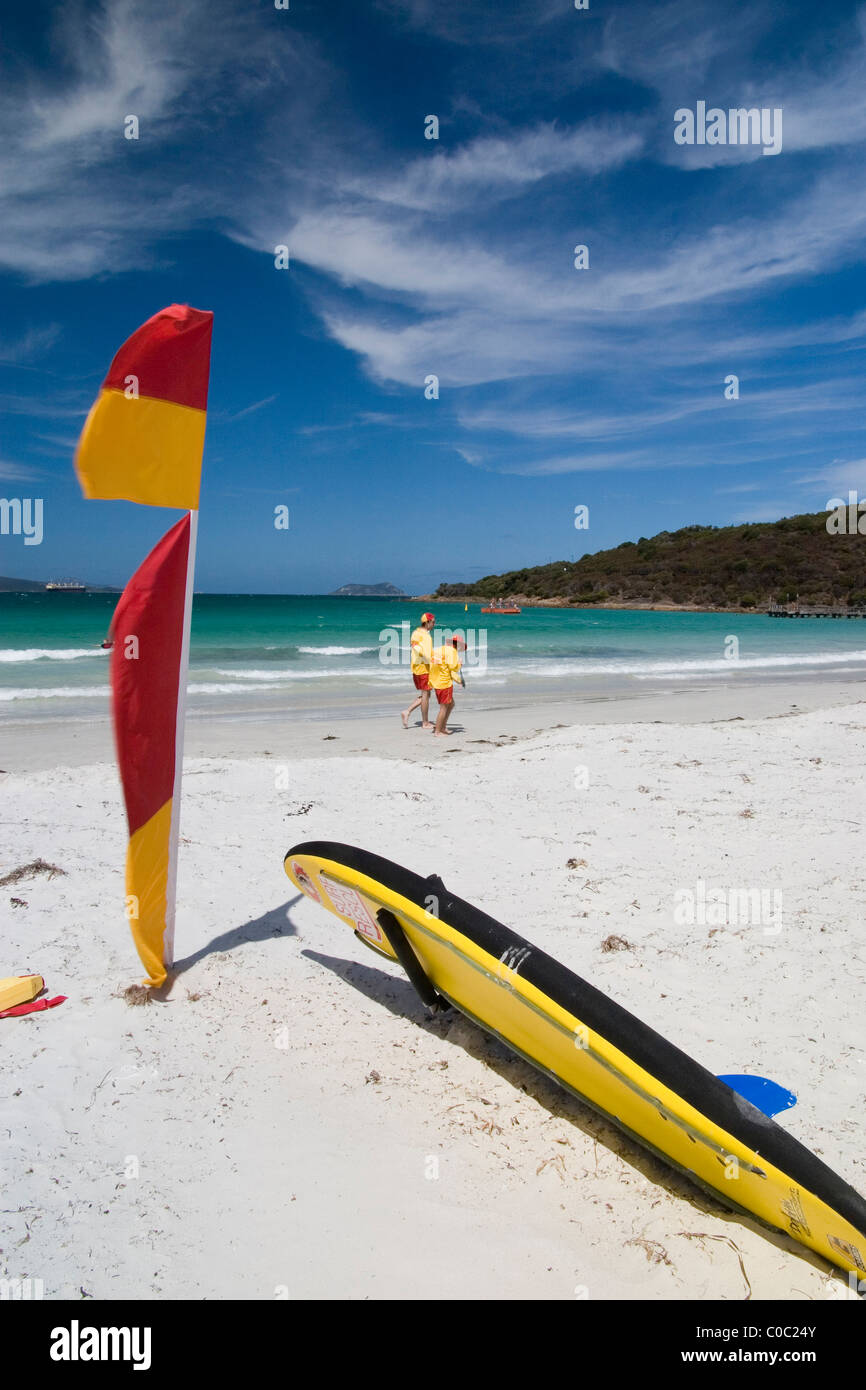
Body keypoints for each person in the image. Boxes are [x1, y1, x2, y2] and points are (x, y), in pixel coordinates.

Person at [401, 611, 436, 730]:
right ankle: (425, 723)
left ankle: (407, 711)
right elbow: (416, 648)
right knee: (426, 694)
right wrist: (429, 658)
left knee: (427, 694)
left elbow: (426, 650)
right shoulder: (419, 634)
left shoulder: (424, 633)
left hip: (424, 667)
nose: (434, 624)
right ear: (427, 622)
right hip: (422, 667)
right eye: (433, 622)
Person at [429, 636, 466, 737]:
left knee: (451, 704)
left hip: (436, 682)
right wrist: (459, 664)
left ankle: (443, 727)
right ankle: (437, 731)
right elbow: (453, 668)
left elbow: (444, 668)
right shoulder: (452, 652)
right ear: (457, 645)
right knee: (444, 707)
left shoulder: (437, 650)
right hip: (444, 683)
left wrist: (458, 680)